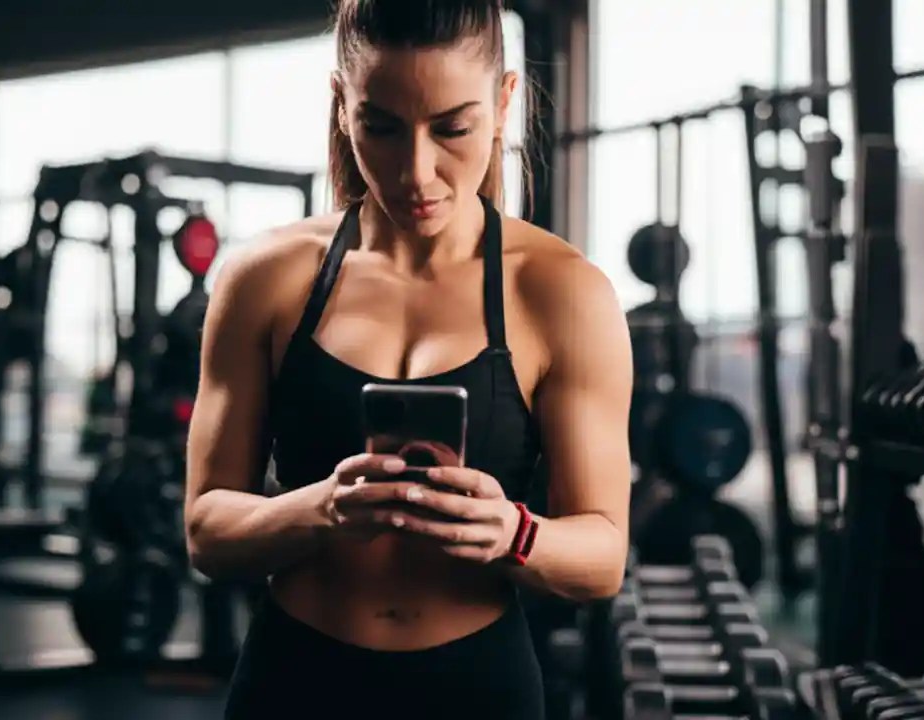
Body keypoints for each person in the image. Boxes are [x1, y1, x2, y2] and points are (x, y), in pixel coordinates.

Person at [184, 1, 633, 718]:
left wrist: (514, 533)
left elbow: (603, 556)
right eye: (382, 127)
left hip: (476, 686)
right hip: (296, 680)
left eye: (452, 128)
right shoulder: (266, 279)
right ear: (342, 107)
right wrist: (321, 509)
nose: (416, 171)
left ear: (503, 103)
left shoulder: (561, 293)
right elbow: (206, 529)